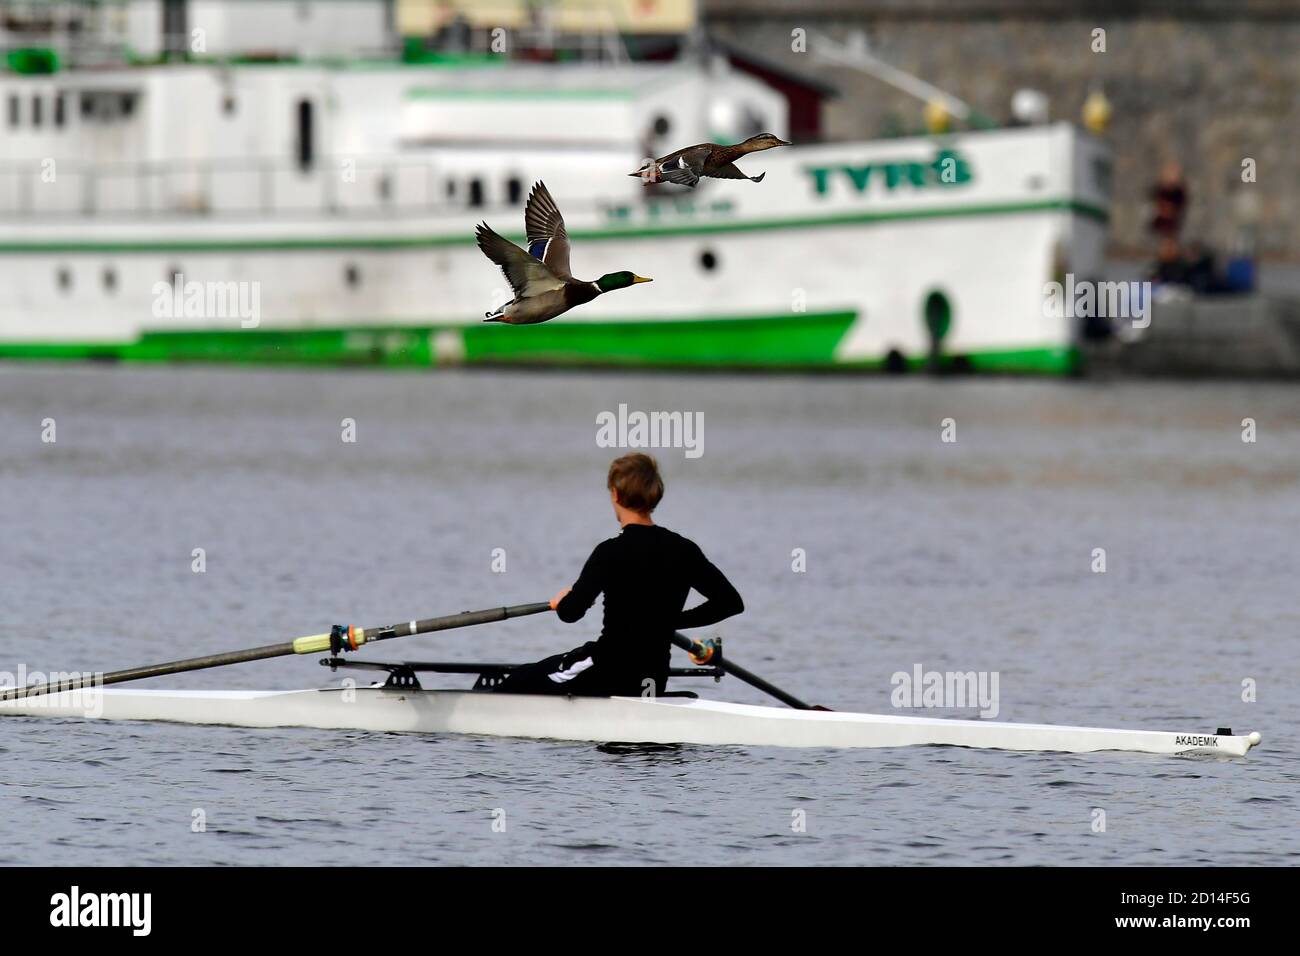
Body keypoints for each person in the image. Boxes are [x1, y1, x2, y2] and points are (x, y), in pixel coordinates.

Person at [494, 453, 743, 698]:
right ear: (655, 495)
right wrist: (668, 621)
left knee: (516, 680)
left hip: (605, 671)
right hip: (653, 680)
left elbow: (571, 613)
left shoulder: (609, 551)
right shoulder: (684, 549)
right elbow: (730, 603)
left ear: (615, 493)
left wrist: (564, 600)